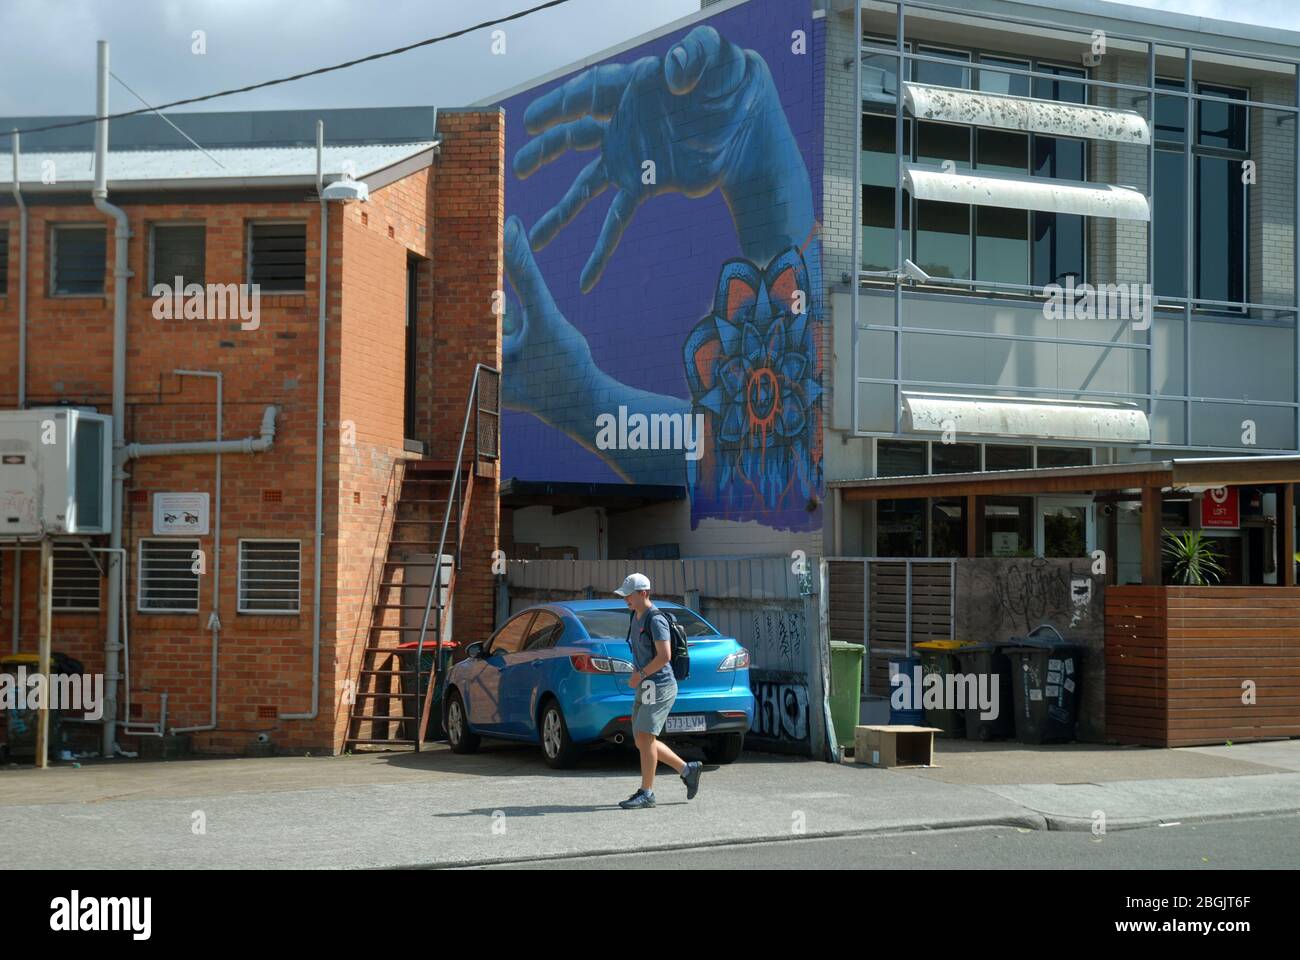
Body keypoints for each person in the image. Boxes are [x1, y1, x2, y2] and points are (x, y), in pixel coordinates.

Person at [613, 573, 703, 809]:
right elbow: (641, 653)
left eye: (629, 595)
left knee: (645, 737)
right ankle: (687, 770)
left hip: (660, 685)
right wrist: (638, 674)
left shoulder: (656, 620)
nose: (626, 600)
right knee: (643, 740)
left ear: (644, 593)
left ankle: (647, 793)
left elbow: (665, 656)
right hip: (647, 685)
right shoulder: (636, 616)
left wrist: (640, 675)